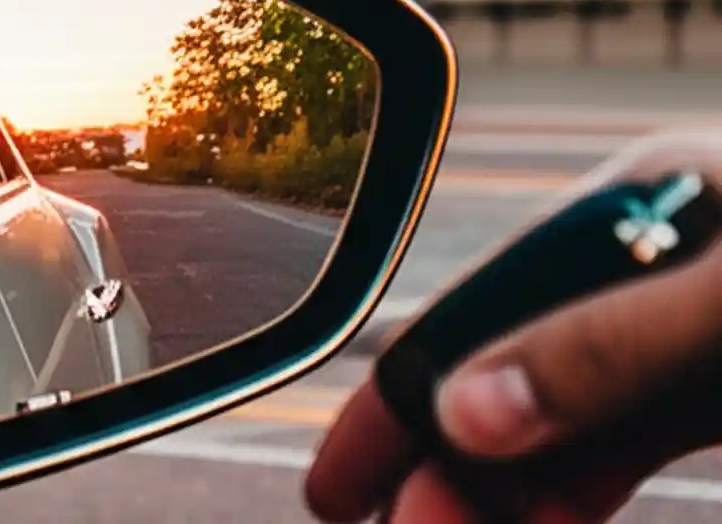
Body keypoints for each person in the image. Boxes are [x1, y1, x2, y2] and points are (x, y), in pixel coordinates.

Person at [305, 131, 722, 523]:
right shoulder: (651, 218)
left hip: (429, 388)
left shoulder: (639, 225)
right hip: (430, 389)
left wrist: (535, 386)